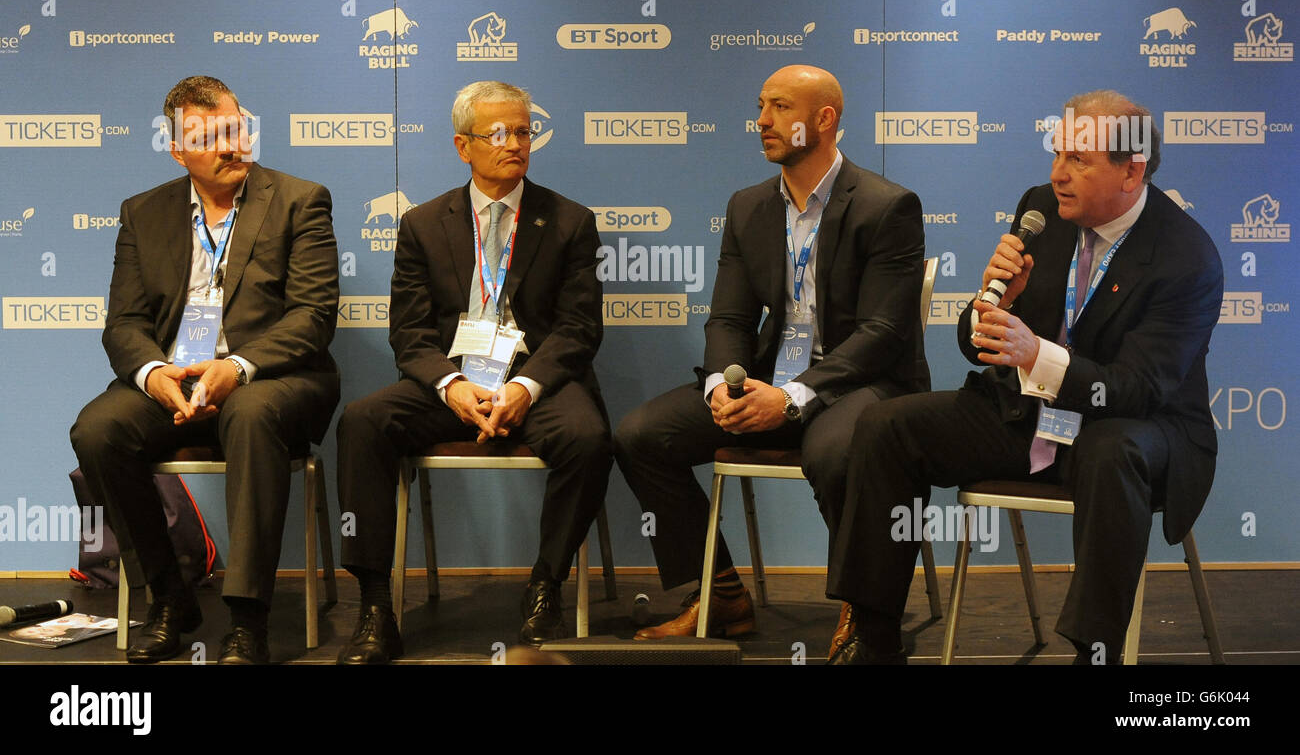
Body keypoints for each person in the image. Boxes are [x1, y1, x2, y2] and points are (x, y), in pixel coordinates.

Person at [826, 90, 1224, 664]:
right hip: (1029, 415)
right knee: (887, 427)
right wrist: (991, 309)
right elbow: (975, 345)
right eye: (1056, 154)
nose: (1057, 174)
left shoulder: (1186, 256)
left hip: (1139, 429)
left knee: (1112, 449)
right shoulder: (1042, 207)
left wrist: (1035, 353)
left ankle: (1095, 651)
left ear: (1131, 171)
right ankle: (876, 636)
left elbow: (1138, 389)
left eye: (1078, 161)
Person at [614, 65, 929, 640]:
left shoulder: (887, 206)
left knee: (839, 452)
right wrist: (721, 390)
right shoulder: (748, 207)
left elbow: (883, 332)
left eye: (781, 107)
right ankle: (720, 595)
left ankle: (865, 608)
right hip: (769, 384)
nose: (762, 120)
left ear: (825, 120)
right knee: (641, 434)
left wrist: (790, 398)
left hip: (862, 385)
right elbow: (730, 318)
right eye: (762, 106)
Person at [335, 80, 611, 664]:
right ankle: (376, 604)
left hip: (537, 382)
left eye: (523, 131)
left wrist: (524, 387)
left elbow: (578, 329)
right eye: (498, 134)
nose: (515, 144)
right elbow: (408, 334)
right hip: (450, 383)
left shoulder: (569, 222)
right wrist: (452, 386)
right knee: (363, 422)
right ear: (463, 146)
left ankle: (546, 585)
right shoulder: (423, 225)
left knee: (587, 438)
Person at [71, 75, 341, 664]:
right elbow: (124, 324)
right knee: (97, 430)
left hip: (272, 378)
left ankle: (247, 618)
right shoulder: (144, 213)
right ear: (176, 148)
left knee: (249, 413)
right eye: (210, 136)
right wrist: (152, 374)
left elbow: (313, 316)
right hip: (175, 380)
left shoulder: (301, 199)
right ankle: (169, 598)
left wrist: (238, 366)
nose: (229, 146)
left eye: (235, 129)